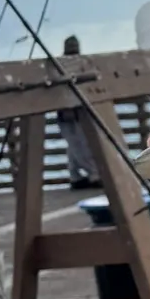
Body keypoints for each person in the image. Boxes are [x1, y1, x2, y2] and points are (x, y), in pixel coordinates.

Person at [56, 34, 100, 189]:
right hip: (71, 111)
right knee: (80, 145)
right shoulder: (75, 64)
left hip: (69, 111)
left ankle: (75, 176)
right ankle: (93, 174)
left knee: (74, 145)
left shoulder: (58, 65)